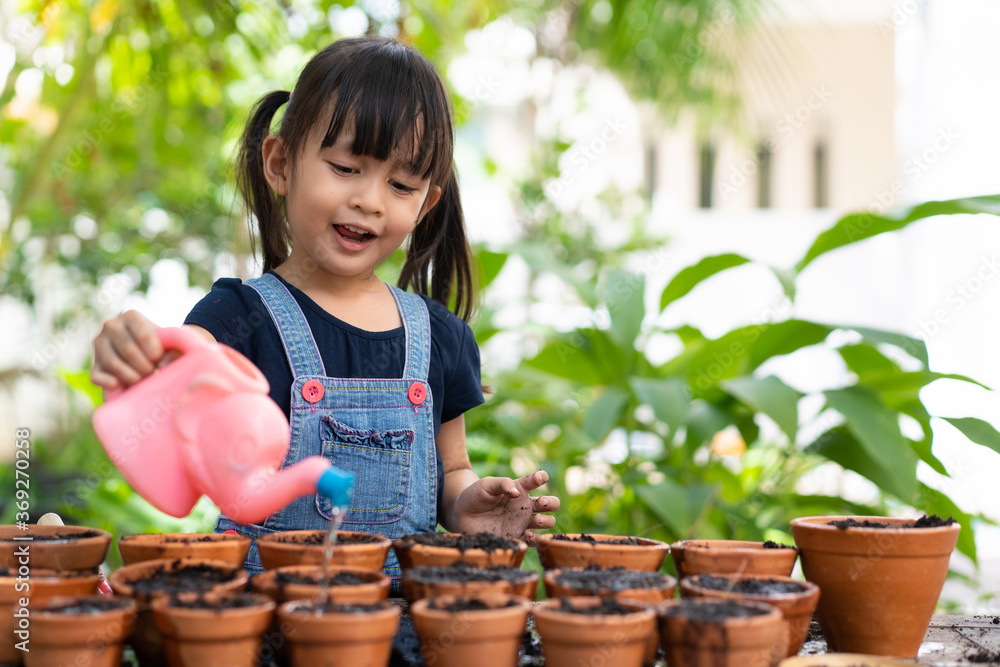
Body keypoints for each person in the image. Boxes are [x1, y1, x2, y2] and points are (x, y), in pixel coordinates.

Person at [90, 36, 560, 589]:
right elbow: (169, 400)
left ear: (425, 203)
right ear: (281, 164)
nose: (370, 199)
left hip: (397, 629)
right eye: (344, 167)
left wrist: (467, 509)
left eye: (401, 184)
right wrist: (130, 358)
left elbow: (451, 471)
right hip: (261, 625)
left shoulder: (440, 338)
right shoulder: (237, 319)